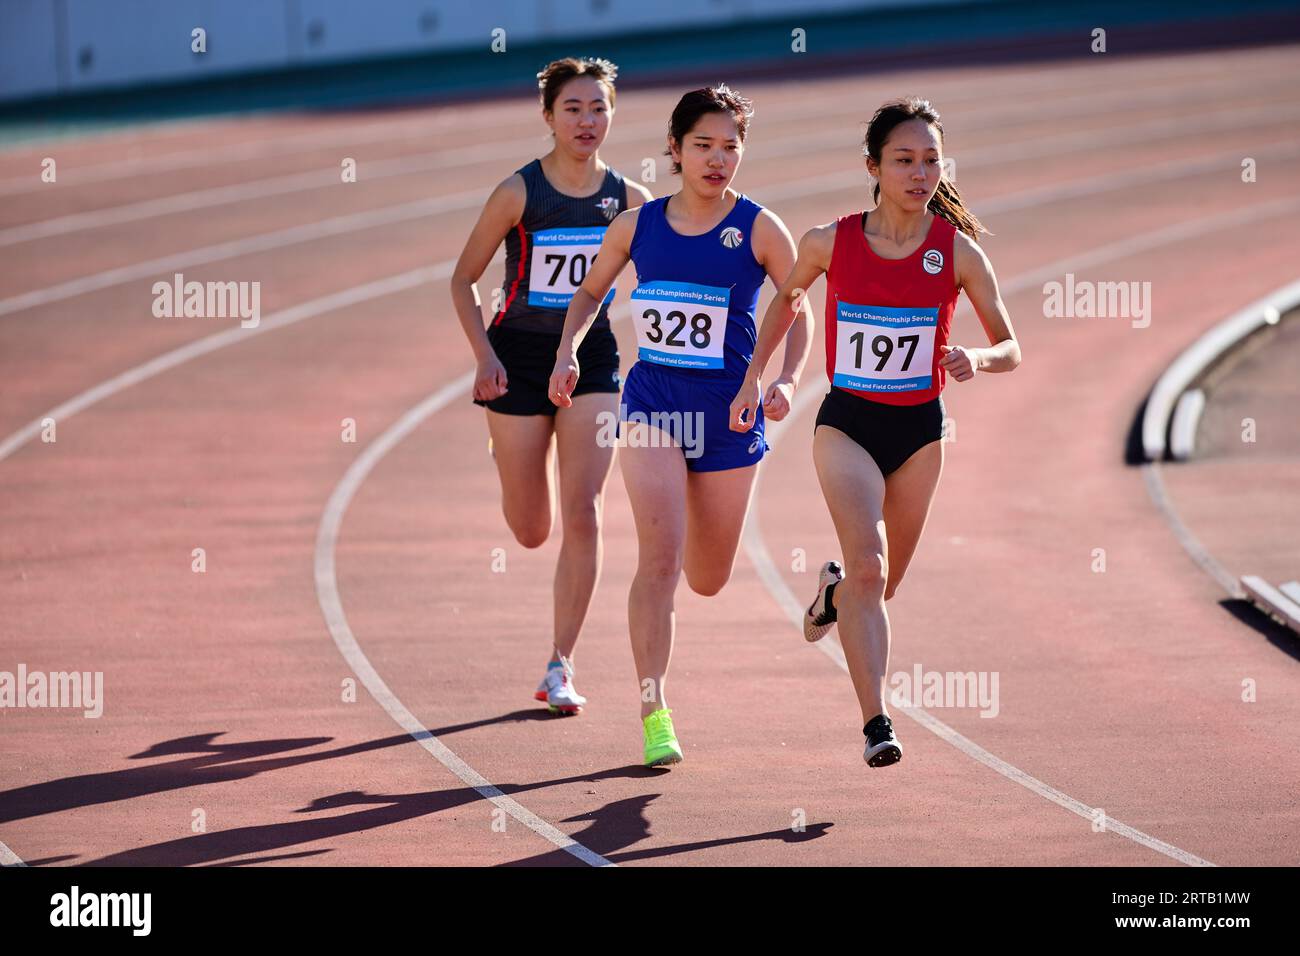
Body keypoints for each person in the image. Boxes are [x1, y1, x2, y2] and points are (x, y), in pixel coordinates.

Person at [730, 96, 1021, 767]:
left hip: (920, 433)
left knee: (876, 589)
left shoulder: (958, 252)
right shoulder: (830, 241)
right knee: (870, 564)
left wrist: (976, 358)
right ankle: (876, 724)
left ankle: (831, 596)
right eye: (904, 160)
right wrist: (755, 378)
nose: (920, 173)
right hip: (848, 424)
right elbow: (787, 298)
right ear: (874, 166)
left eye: (930, 161)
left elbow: (1011, 346)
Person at [549, 85, 813, 765]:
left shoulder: (759, 227)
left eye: (730, 146)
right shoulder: (639, 225)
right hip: (653, 406)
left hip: (730, 413)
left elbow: (798, 308)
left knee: (708, 577)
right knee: (659, 561)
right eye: (704, 145)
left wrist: (781, 379)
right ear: (675, 148)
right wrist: (569, 347)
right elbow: (587, 291)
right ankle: (653, 708)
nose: (718, 158)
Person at [451, 57, 653, 715]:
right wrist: (483, 357)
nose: (587, 120)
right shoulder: (520, 193)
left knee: (585, 509)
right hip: (517, 357)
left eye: (598, 108)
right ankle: (510, 457)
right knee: (533, 528)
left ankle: (560, 664)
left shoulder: (629, 200)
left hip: (591, 360)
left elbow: (665, 283)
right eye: (573, 108)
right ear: (549, 117)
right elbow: (463, 280)